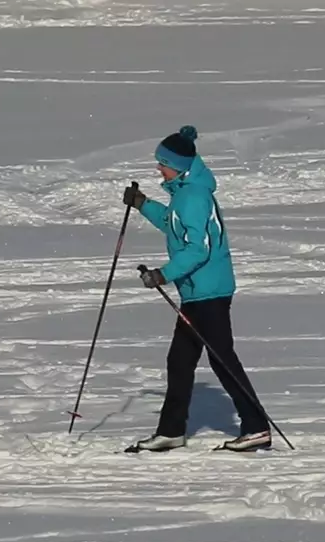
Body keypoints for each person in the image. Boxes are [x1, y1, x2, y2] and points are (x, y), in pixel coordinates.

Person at [121, 125, 273, 453]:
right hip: (196, 292)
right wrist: (143, 204)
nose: (158, 168)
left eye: (162, 163)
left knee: (221, 359)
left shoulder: (193, 196)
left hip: (209, 292)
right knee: (179, 361)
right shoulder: (184, 194)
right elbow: (171, 225)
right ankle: (172, 431)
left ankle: (257, 427)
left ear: (178, 165)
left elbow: (198, 249)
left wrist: (164, 275)